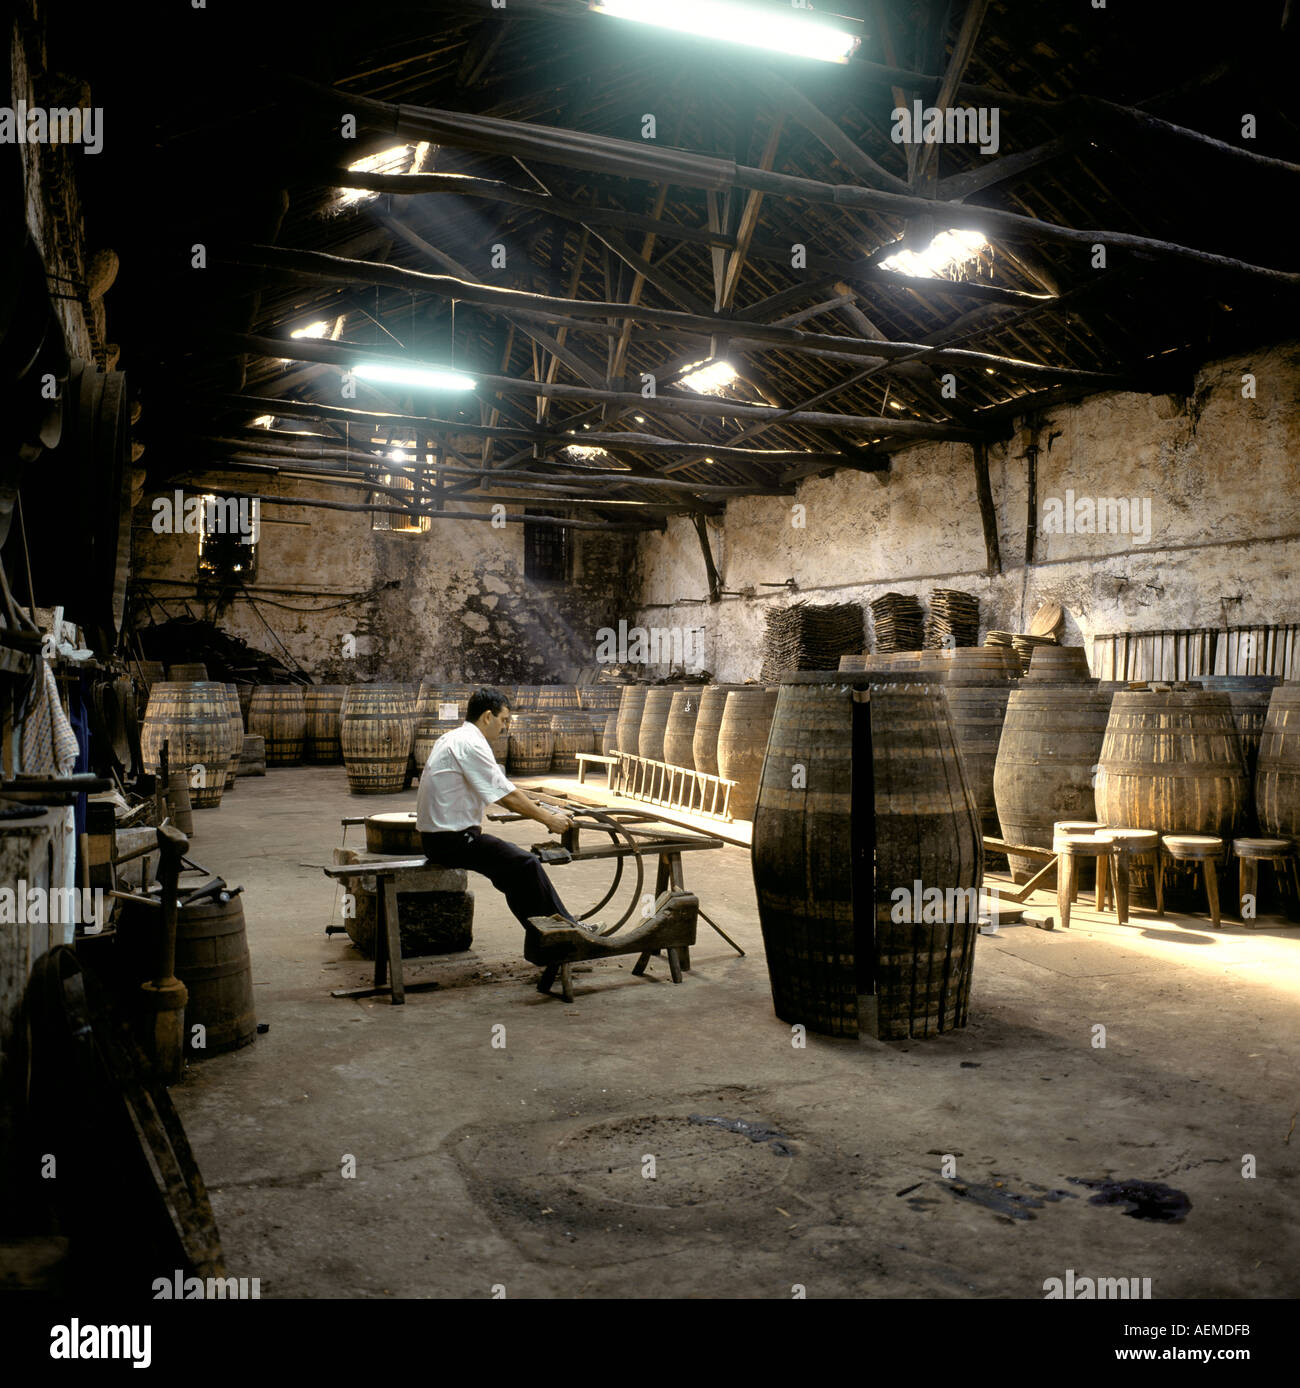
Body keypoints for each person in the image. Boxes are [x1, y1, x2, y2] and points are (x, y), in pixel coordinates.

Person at [416, 685, 591, 932]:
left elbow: (498, 786)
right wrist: (549, 819)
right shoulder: (471, 744)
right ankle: (565, 934)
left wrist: (533, 804)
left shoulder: (453, 737)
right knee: (526, 864)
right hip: (451, 842)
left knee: (514, 875)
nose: (505, 726)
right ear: (488, 716)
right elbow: (506, 796)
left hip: (440, 839)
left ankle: (552, 933)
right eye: (504, 720)